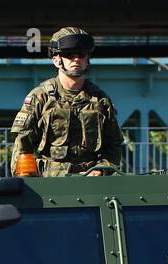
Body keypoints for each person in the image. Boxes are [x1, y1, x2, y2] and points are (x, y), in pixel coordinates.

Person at [10, 27, 124, 177]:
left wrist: (101, 170)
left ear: (87, 59)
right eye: (69, 55)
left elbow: (114, 148)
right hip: (50, 182)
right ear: (56, 60)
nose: (76, 59)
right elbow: (22, 151)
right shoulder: (40, 98)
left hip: (91, 183)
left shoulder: (100, 100)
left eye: (81, 54)